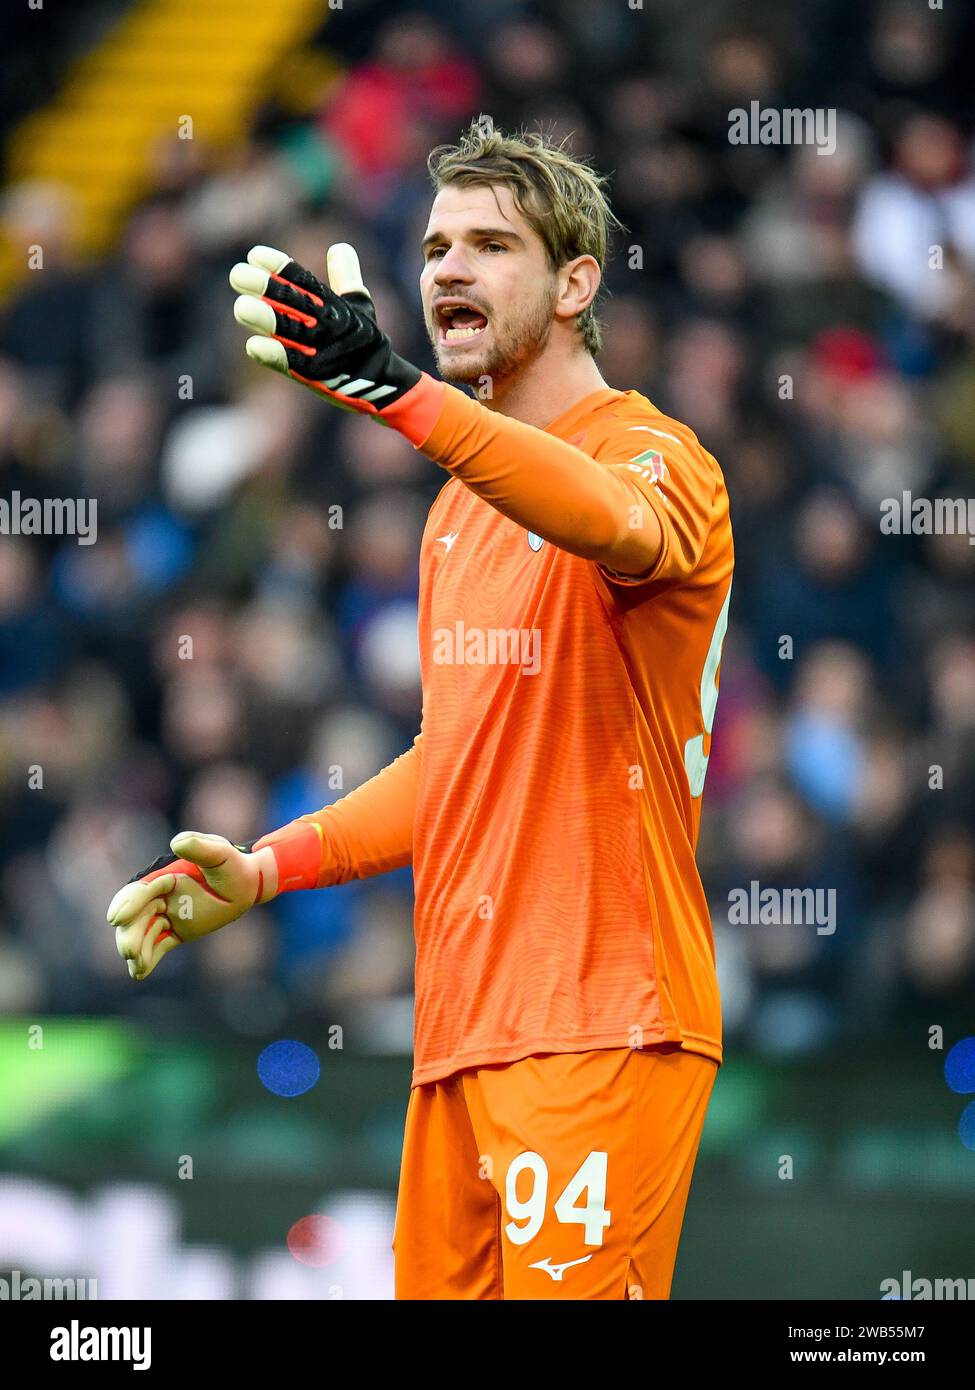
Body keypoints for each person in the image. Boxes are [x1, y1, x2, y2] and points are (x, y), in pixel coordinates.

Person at [107, 119, 734, 1300]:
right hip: (459, 1038)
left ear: (575, 283)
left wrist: (394, 393)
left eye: (492, 244)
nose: (448, 267)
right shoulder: (457, 514)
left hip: (598, 1021)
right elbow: (458, 761)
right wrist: (266, 869)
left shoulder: (658, 455)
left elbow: (614, 523)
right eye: (437, 243)